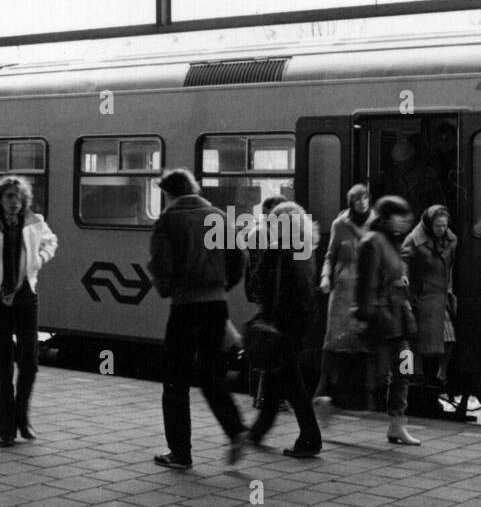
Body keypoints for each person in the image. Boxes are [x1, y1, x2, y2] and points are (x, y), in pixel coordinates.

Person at [148, 168, 247, 469]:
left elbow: (160, 264)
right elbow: (237, 258)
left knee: (175, 378)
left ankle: (180, 453)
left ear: (167, 193)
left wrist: (169, 289)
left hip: (186, 306)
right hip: (217, 305)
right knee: (210, 374)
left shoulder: (169, 220)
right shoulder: (216, 214)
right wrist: (221, 287)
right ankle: (236, 431)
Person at [0, 176, 58, 447]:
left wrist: (38, 261)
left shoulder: (36, 223)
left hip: (26, 299)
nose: (14, 202)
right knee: (1, 368)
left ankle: (22, 416)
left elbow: (51, 242)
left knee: (29, 362)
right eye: (9, 197)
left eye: (18, 197)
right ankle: (5, 429)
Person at [237, 201, 323, 460]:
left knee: (293, 386)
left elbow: (254, 289)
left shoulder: (277, 252)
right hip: (296, 327)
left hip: (277, 327)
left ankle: (310, 438)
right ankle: (258, 432)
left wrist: (256, 257)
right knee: (276, 381)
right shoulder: (306, 249)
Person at [355, 195, 420, 446]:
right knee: (374, 376)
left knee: (404, 369)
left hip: (397, 319)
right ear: (384, 218)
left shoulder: (394, 242)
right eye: (399, 217)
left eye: (407, 218)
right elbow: (366, 283)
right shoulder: (373, 242)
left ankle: (397, 425)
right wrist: (367, 315)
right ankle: (328, 402)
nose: (405, 222)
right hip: (382, 320)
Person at [312, 184, 371, 410]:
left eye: (365, 199)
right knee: (334, 339)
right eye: (358, 200)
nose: (363, 203)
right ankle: (323, 387)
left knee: (363, 341)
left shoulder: (376, 223)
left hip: (366, 287)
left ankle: (361, 396)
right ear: (351, 203)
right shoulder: (340, 224)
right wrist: (325, 277)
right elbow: (329, 255)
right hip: (343, 287)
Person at [402, 204, 457, 415]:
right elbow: (403, 263)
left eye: (444, 225)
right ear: (429, 224)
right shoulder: (414, 241)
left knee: (447, 338)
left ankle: (437, 377)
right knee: (421, 343)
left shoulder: (450, 240)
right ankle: (422, 381)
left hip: (441, 296)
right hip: (423, 297)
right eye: (438, 225)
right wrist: (409, 292)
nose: (441, 229)